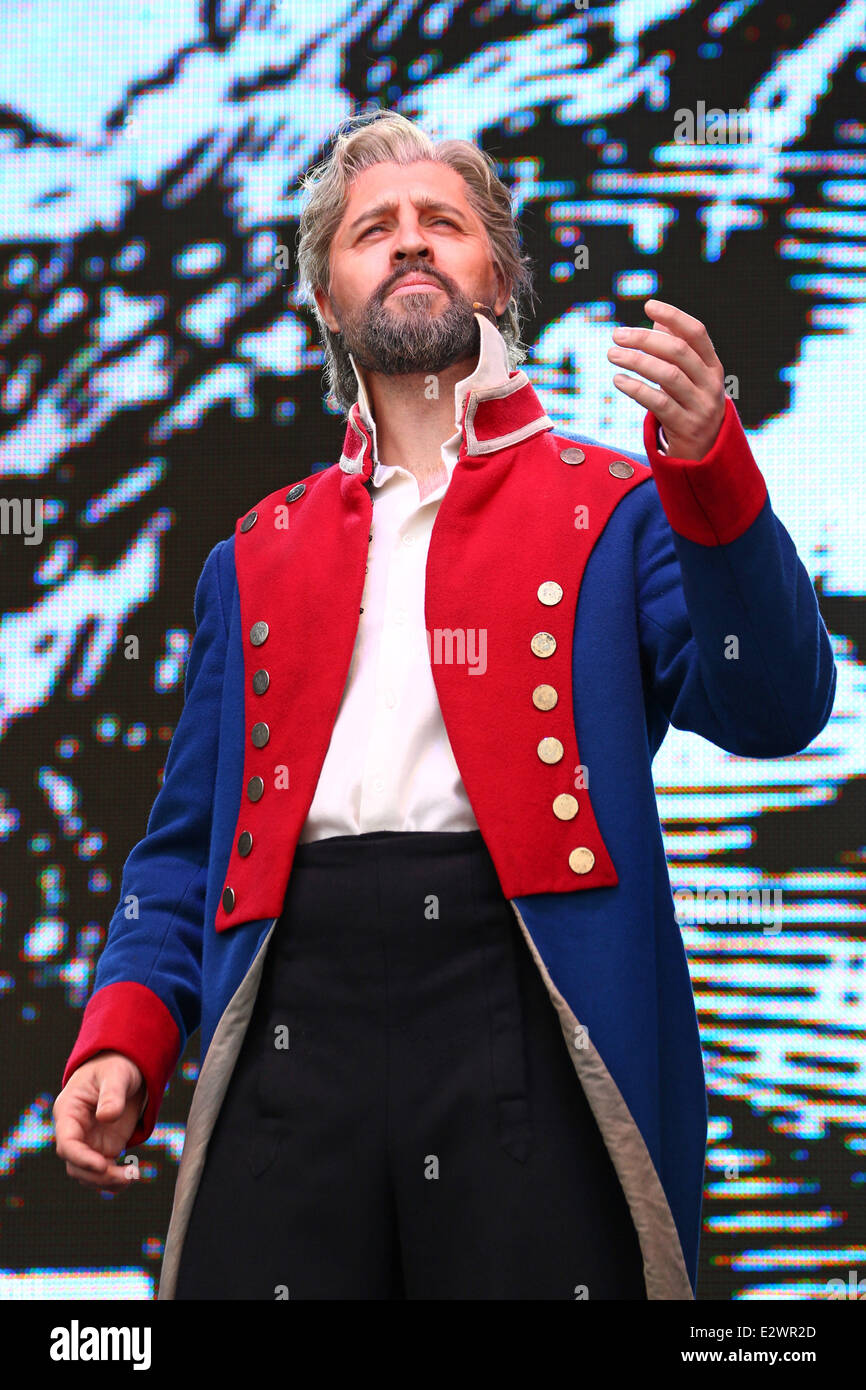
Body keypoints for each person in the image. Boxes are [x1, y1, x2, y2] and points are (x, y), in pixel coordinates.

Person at [53, 109, 837, 1300]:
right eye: (373, 230)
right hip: (285, 1024)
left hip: (523, 1011)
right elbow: (182, 854)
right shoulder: (253, 551)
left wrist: (710, 469)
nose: (410, 245)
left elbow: (775, 704)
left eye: (442, 225)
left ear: (500, 275)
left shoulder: (620, 507)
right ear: (325, 295)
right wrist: (122, 1033)